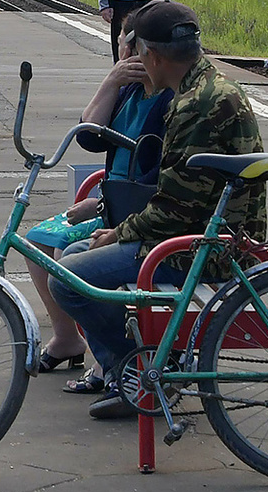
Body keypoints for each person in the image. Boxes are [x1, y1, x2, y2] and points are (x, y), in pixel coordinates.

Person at [48, 0, 268, 419]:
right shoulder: (208, 88)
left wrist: (118, 233)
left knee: (67, 278)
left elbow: (173, 210)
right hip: (208, 236)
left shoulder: (193, 107)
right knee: (76, 257)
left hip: (202, 250)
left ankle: (145, 373)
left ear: (151, 54)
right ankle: (128, 373)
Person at [22, 22, 173, 386]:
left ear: (143, 52)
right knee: (37, 241)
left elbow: (157, 179)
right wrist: (111, 83)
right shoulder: (128, 94)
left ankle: (110, 363)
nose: (119, 56)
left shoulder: (169, 102)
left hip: (125, 212)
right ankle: (67, 337)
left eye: (123, 48)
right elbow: (89, 136)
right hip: (111, 203)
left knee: (69, 259)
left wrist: (98, 205)